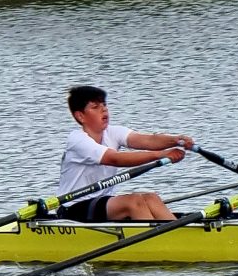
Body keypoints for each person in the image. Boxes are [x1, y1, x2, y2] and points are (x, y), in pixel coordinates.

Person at [58, 85, 192, 222]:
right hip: (73, 208)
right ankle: (159, 241)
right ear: (80, 116)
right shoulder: (77, 140)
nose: (104, 109)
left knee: (151, 198)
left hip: (103, 202)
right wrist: (161, 155)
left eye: (104, 104)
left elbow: (147, 140)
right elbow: (114, 159)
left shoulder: (113, 132)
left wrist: (177, 140)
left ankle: (179, 236)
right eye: (95, 107)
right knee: (133, 202)